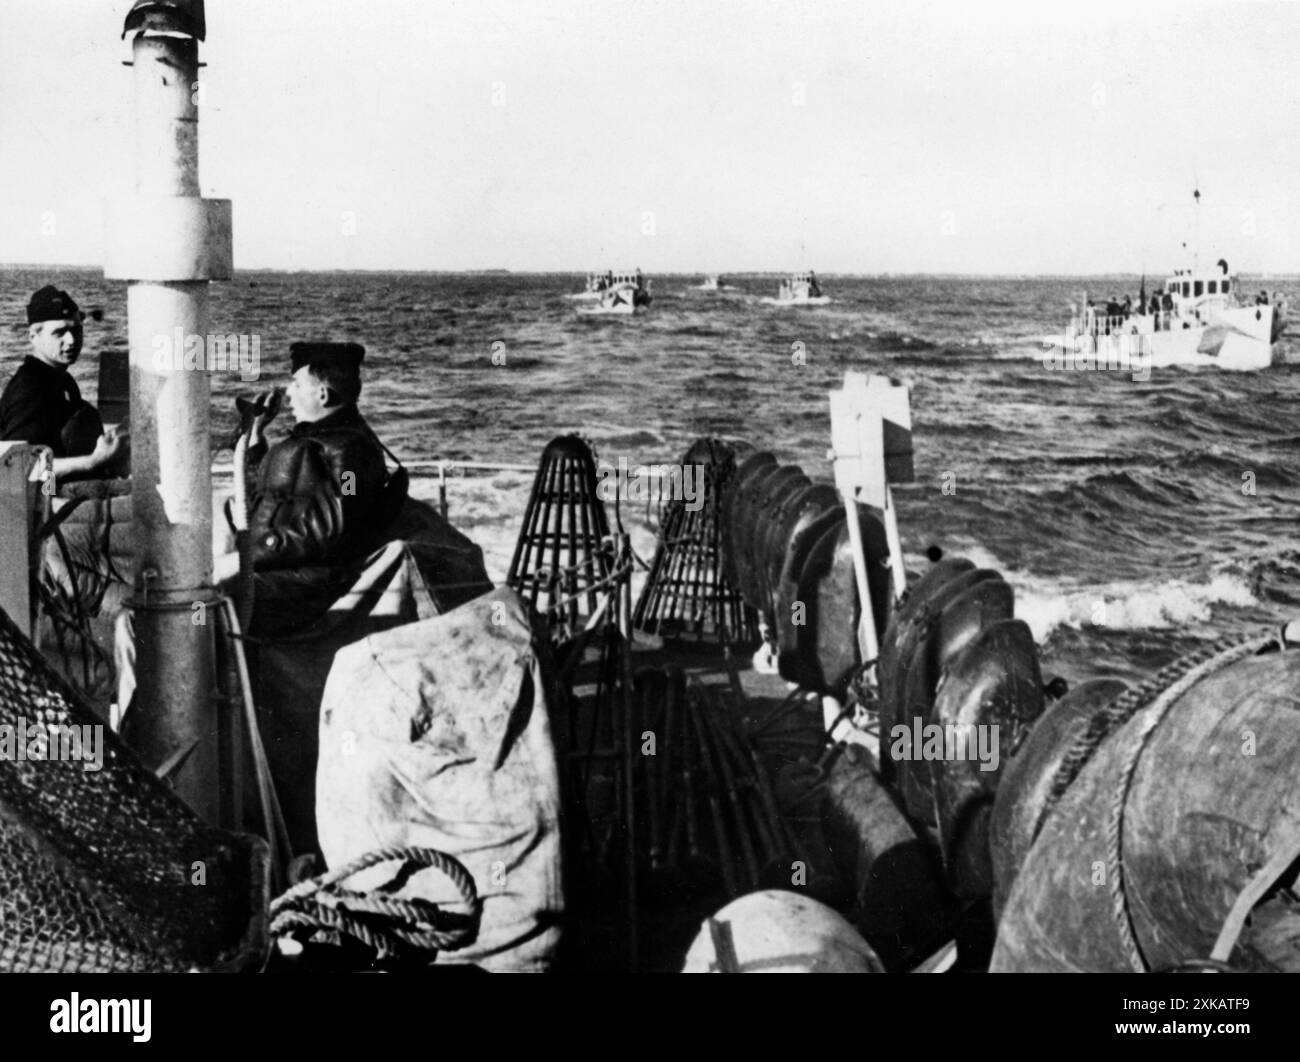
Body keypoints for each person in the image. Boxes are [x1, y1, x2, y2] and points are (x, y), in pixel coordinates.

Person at [214, 340, 403, 634]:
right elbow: (270, 501)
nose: (288, 394)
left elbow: (338, 520)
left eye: (297, 385)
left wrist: (246, 559)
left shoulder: (351, 453)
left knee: (198, 605)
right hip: (277, 570)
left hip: (308, 588)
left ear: (324, 394)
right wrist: (254, 435)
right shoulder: (315, 441)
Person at [0, 285, 127, 480]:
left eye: (77, 330)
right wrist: (93, 462)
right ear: (33, 336)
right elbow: (18, 467)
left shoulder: (60, 379)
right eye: (59, 332)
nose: (71, 340)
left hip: (64, 488)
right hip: (45, 497)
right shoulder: (30, 387)